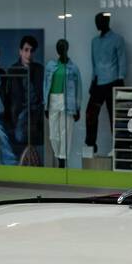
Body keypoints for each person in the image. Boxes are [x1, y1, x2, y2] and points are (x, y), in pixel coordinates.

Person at [85, 12, 127, 157]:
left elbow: (122, 60)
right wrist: (92, 81)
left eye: (100, 21)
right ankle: (90, 144)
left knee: (114, 116)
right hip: (98, 82)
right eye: (96, 21)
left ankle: (118, 147)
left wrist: (121, 79)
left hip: (113, 81)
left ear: (107, 22)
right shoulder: (94, 41)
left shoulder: (117, 39)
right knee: (90, 114)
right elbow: (94, 63)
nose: (97, 23)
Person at [5, 35, 45, 166]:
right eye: (26, 50)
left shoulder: (39, 69)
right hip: (21, 112)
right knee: (20, 137)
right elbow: (8, 97)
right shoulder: (12, 70)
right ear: (20, 51)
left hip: (37, 111)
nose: (29, 54)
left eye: (32, 51)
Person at [43, 38, 82, 167]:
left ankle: (62, 159)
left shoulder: (73, 68)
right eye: (59, 47)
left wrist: (78, 108)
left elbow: (79, 88)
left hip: (68, 101)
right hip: (53, 100)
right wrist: (45, 105)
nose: (61, 49)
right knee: (53, 134)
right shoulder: (50, 66)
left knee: (66, 131)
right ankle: (58, 154)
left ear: (67, 49)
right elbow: (45, 85)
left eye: (63, 47)